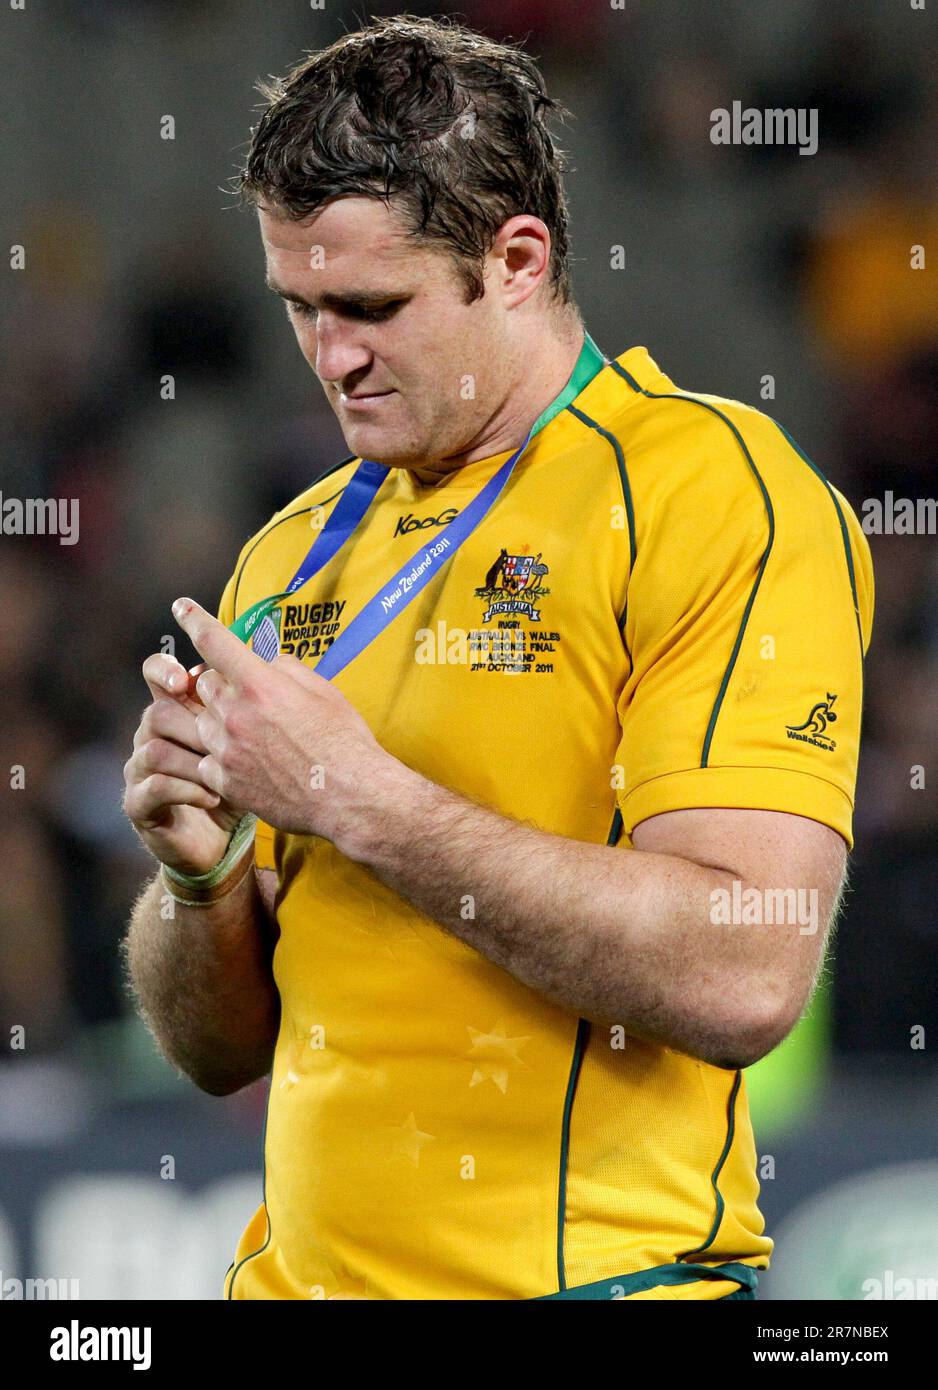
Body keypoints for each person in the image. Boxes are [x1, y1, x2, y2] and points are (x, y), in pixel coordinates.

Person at [122, 15, 873, 1301]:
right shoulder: (290, 554)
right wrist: (203, 879)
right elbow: (217, 1053)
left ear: (515, 259)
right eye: (298, 307)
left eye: (370, 306)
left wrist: (355, 798)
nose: (330, 356)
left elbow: (745, 969)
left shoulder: (711, 490)